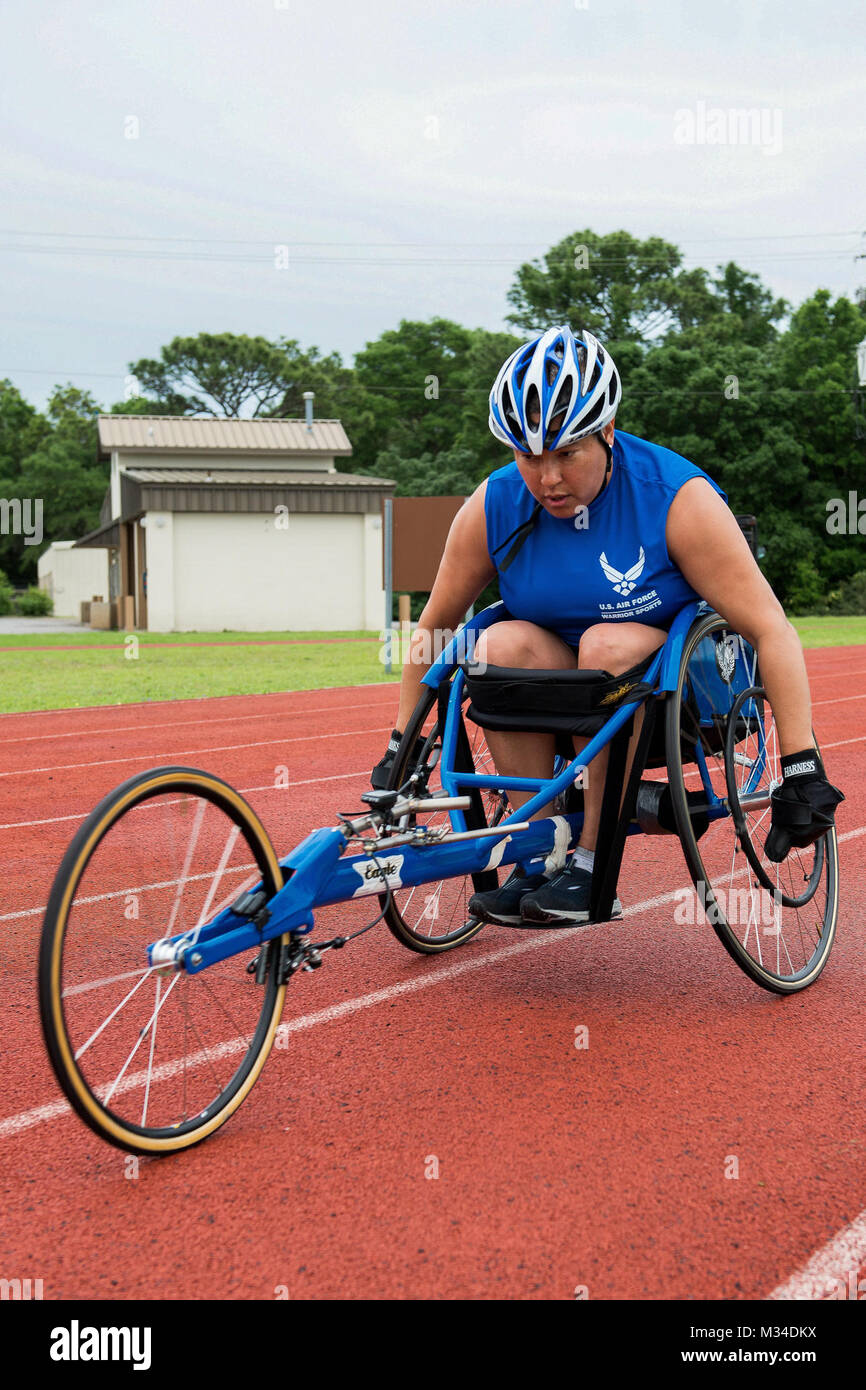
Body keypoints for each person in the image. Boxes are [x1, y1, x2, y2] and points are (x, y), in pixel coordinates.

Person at [371, 325, 843, 926]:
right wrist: (400, 745)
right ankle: (537, 852)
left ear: (608, 433)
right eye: (529, 456)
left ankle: (595, 863)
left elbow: (771, 628)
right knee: (497, 642)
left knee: (606, 641)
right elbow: (435, 627)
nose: (547, 480)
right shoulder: (492, 506)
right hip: (558, 689)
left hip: (680, 688)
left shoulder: (678, 499)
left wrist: (801, 765)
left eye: (567, 453)